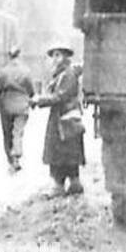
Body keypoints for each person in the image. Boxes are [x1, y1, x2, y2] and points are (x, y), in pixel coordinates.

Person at [32, 42, 86, 196]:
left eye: (57, 55)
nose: (54, 59)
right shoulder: (61, 74)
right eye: (53, 56)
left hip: (64, 119)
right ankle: (73, 183)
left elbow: (60, 96)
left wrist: (40, 100)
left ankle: (59, 186)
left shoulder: (67, 75)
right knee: (68, 153)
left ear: (65, 56)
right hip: (63, 118)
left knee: (60, 154)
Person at [0, 46, 36, 171]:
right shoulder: (26, 71)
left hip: (7, 105)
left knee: (7, 133)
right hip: (22, 105)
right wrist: (31, 98)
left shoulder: (3, 72)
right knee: (18, 131)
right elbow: (31, 89)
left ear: (9, 56)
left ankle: (11, 159)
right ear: (19, 55)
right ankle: (16, 154)